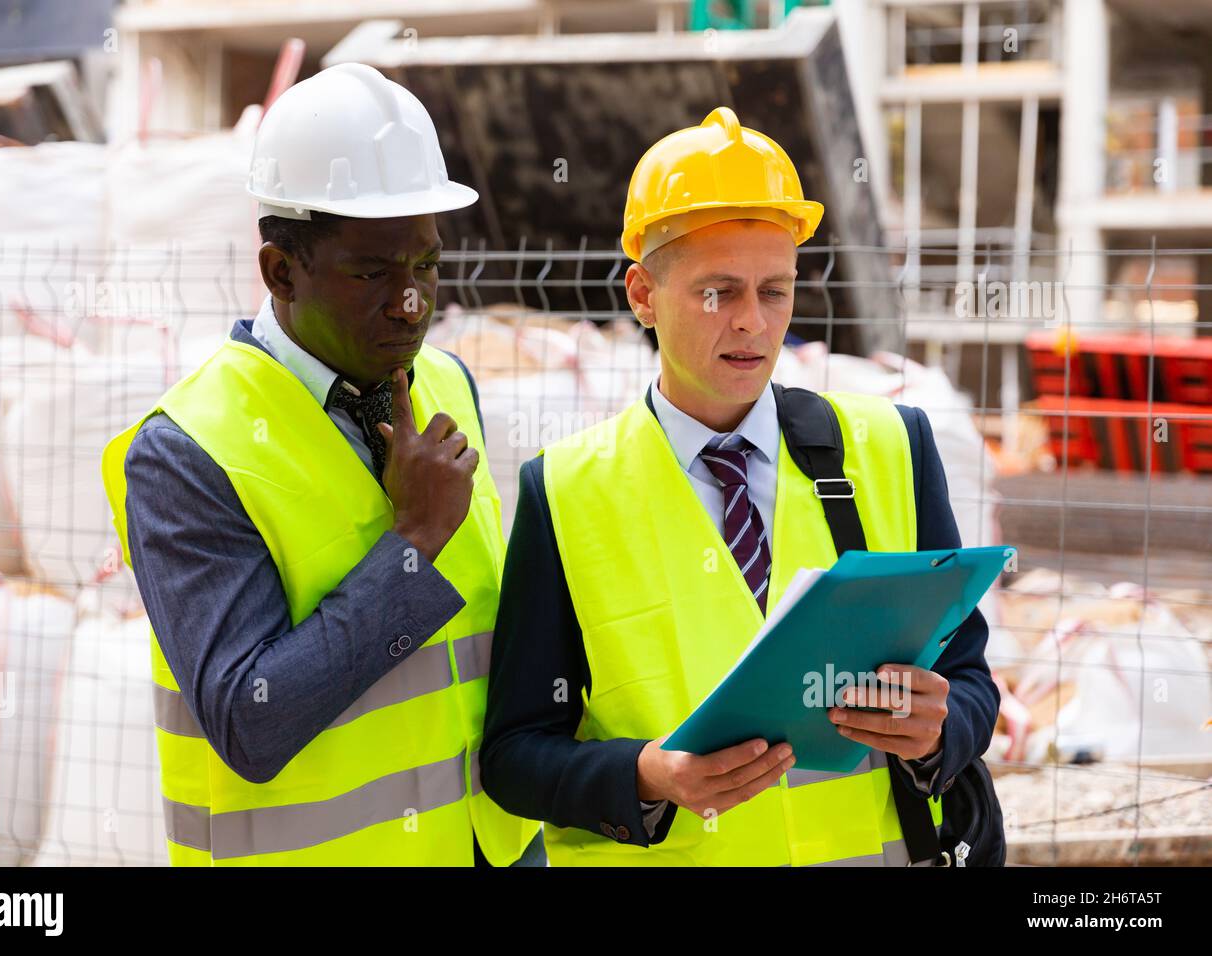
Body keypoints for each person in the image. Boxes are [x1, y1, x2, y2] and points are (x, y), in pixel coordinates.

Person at [481, 107, 999, 866]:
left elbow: (970, 681)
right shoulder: (565, 492)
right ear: (642, 295)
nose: (755, 323)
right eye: (719, 292)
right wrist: (648, 777)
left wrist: (936, 733)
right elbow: (516, 754)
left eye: (776, 291)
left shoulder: (892, 447)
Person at [101, 63, 541, 866]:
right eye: (372, 273)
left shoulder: (446, 383)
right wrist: (412, 544)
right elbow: (249, 720)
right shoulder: (188, 451)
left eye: (426, 267)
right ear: (280, 270)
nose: (410, 303)